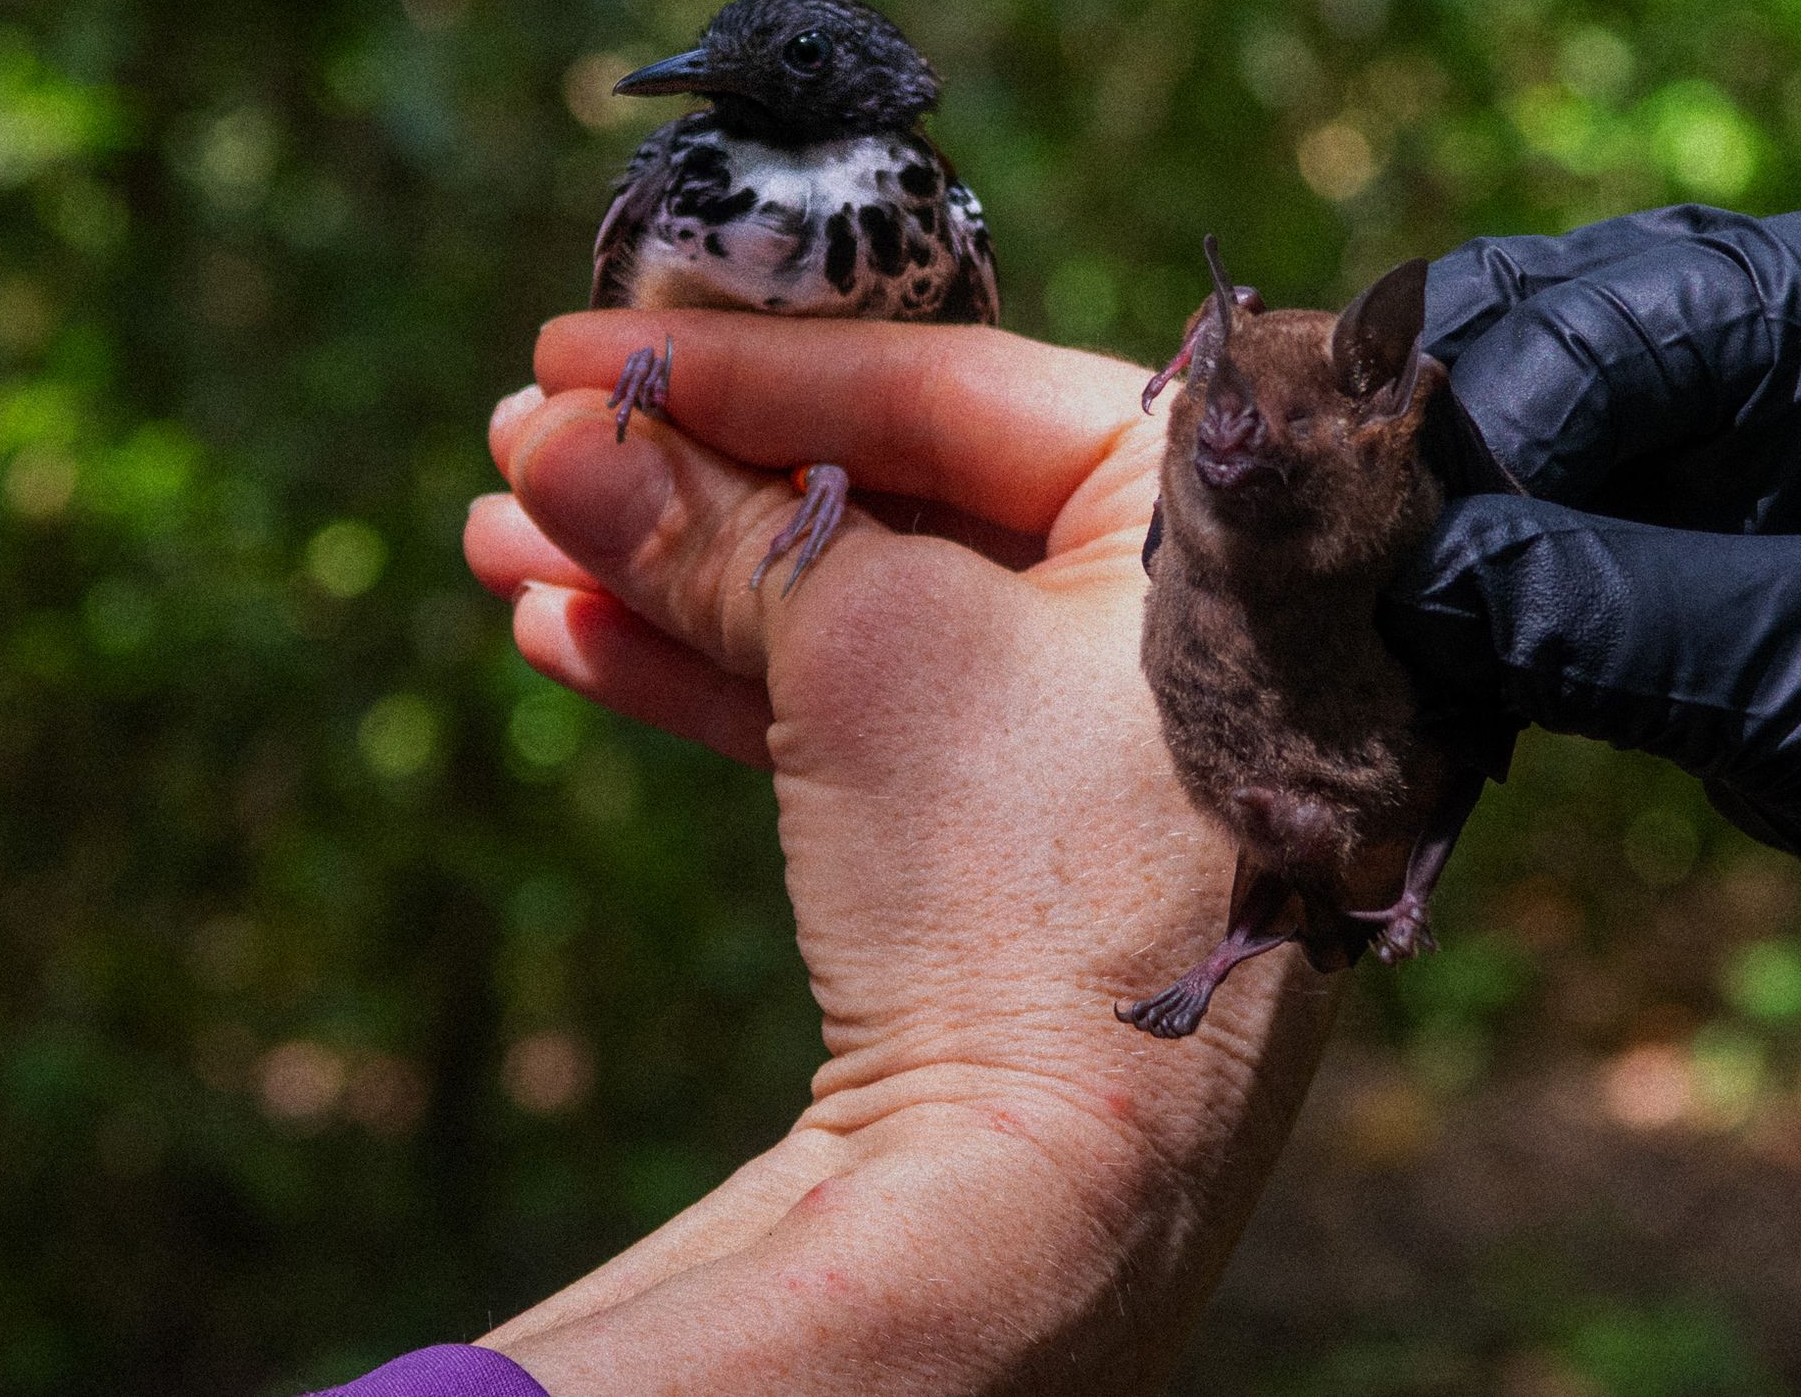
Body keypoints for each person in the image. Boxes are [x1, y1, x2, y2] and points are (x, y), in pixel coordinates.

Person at [316, 205, 1801, 1395]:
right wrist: (1010, 1138)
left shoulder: (1385, 485)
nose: (1229, 439)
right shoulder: (1220, 463)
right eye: (1217, 409)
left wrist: (992, 1135)